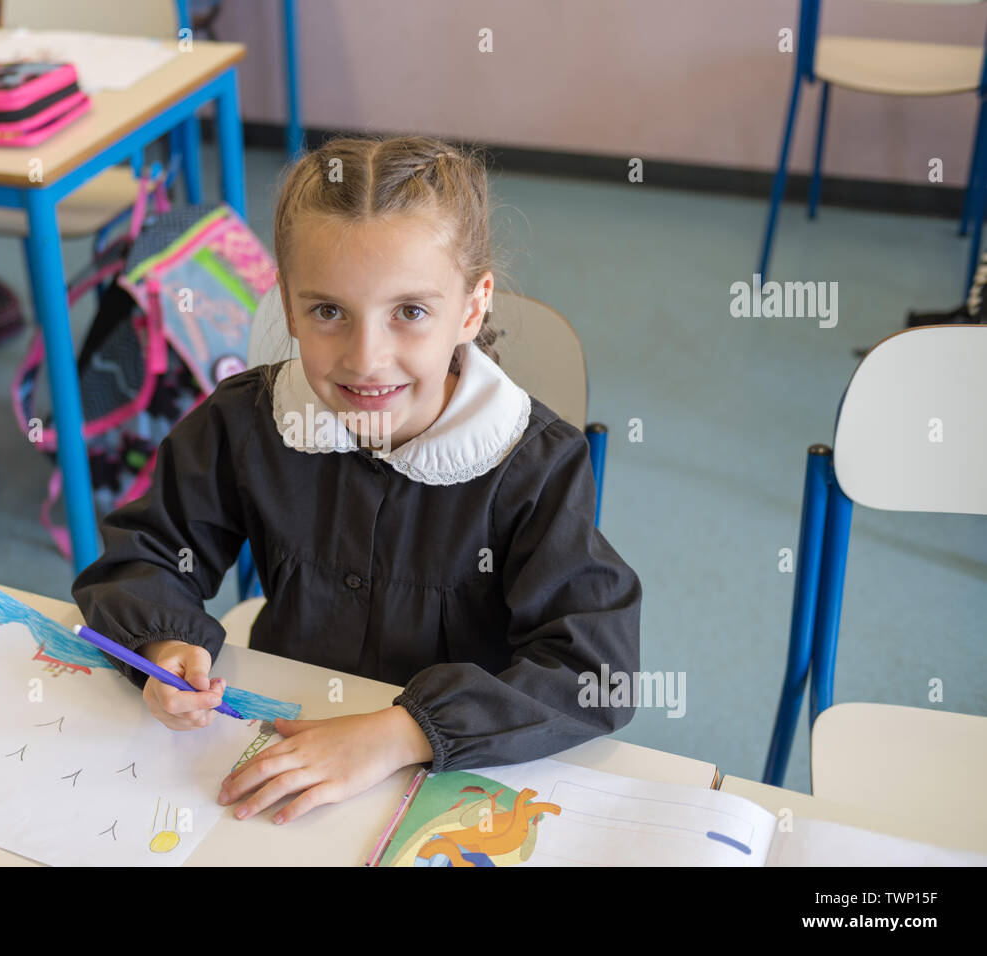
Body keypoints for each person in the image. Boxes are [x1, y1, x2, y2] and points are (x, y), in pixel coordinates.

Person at [72, 134, 642, 826]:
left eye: (410, 312)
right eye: (328, 312)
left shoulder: (534, 464)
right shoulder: (247, 422)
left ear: (471, 307)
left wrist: (404, 731)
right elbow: (147, 554)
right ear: (287, 304)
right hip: (289, 742)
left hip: (456, 774)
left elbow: (592, 671)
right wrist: (163, 644)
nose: (367, 359)